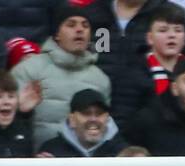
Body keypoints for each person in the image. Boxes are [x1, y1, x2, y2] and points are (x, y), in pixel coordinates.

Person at [76, 0, 185, 126]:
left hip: (153, 113)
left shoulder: (168, 13)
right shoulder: (93, 14)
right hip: (94, 108)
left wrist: (168, 83)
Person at [10, 6, 110, 149]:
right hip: (36, 162)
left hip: (85, 164)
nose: (79, 29)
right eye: (71, 25)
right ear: (57, 34)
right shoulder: (28, 70)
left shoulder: (101, 79)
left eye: (85, 25)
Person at [37, 88, 126, 158]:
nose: (93, 119)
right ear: (72, 119)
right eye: (86, 113)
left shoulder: (123, 152)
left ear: (107, 118)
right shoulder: (51, 150)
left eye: (99, 113)